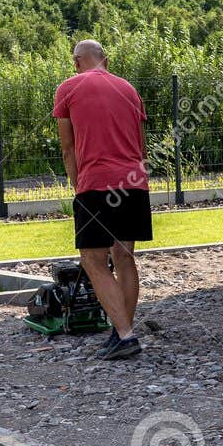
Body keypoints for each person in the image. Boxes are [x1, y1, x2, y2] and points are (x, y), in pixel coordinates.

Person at [53, 40, 151, 360]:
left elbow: (68, 148)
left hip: (96, 184)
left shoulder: (68, 88)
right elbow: (142, 147)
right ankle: (123, 330)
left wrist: (77, 186)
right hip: (134, 183)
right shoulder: (130, 90)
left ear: (77, 61)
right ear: (105, 60)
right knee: (124, 258)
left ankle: (124, 335)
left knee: (93, 260)